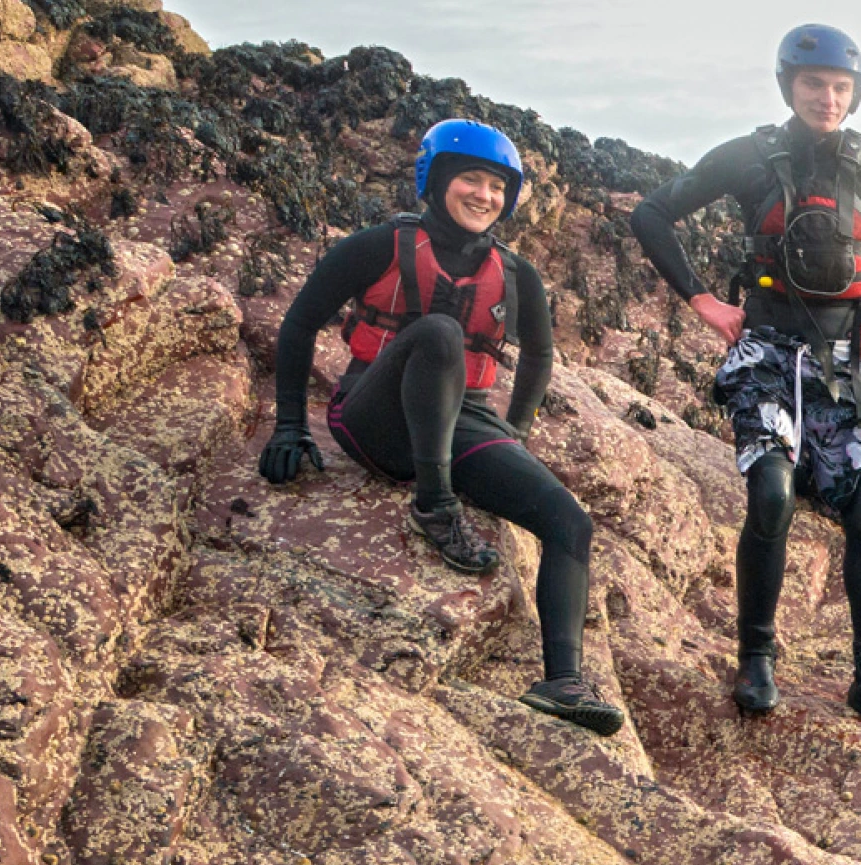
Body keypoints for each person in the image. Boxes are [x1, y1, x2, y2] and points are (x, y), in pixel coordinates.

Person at [629, 24, 861, 738]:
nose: (827, 99)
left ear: (856, 94)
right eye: (814, 85)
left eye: (841, 88)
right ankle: (756, 658)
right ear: (789, 86)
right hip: (769, 354)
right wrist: (702, 299)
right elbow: (651, 213)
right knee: (772, 493)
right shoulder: (749, 157)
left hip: (848, 366)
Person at [255, 119, 623, 737]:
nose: (484, 196)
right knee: (440, 332)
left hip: (465, 421)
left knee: (569, 523)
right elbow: (299, 324)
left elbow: (537, 356)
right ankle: (434, 504)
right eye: (470, 180)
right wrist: (289, 425)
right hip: (373, 413)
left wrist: (518, 434)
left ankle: (562, 682)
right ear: (435, 179)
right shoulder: (380, 245)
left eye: (497, 187)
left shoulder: (515, 274)